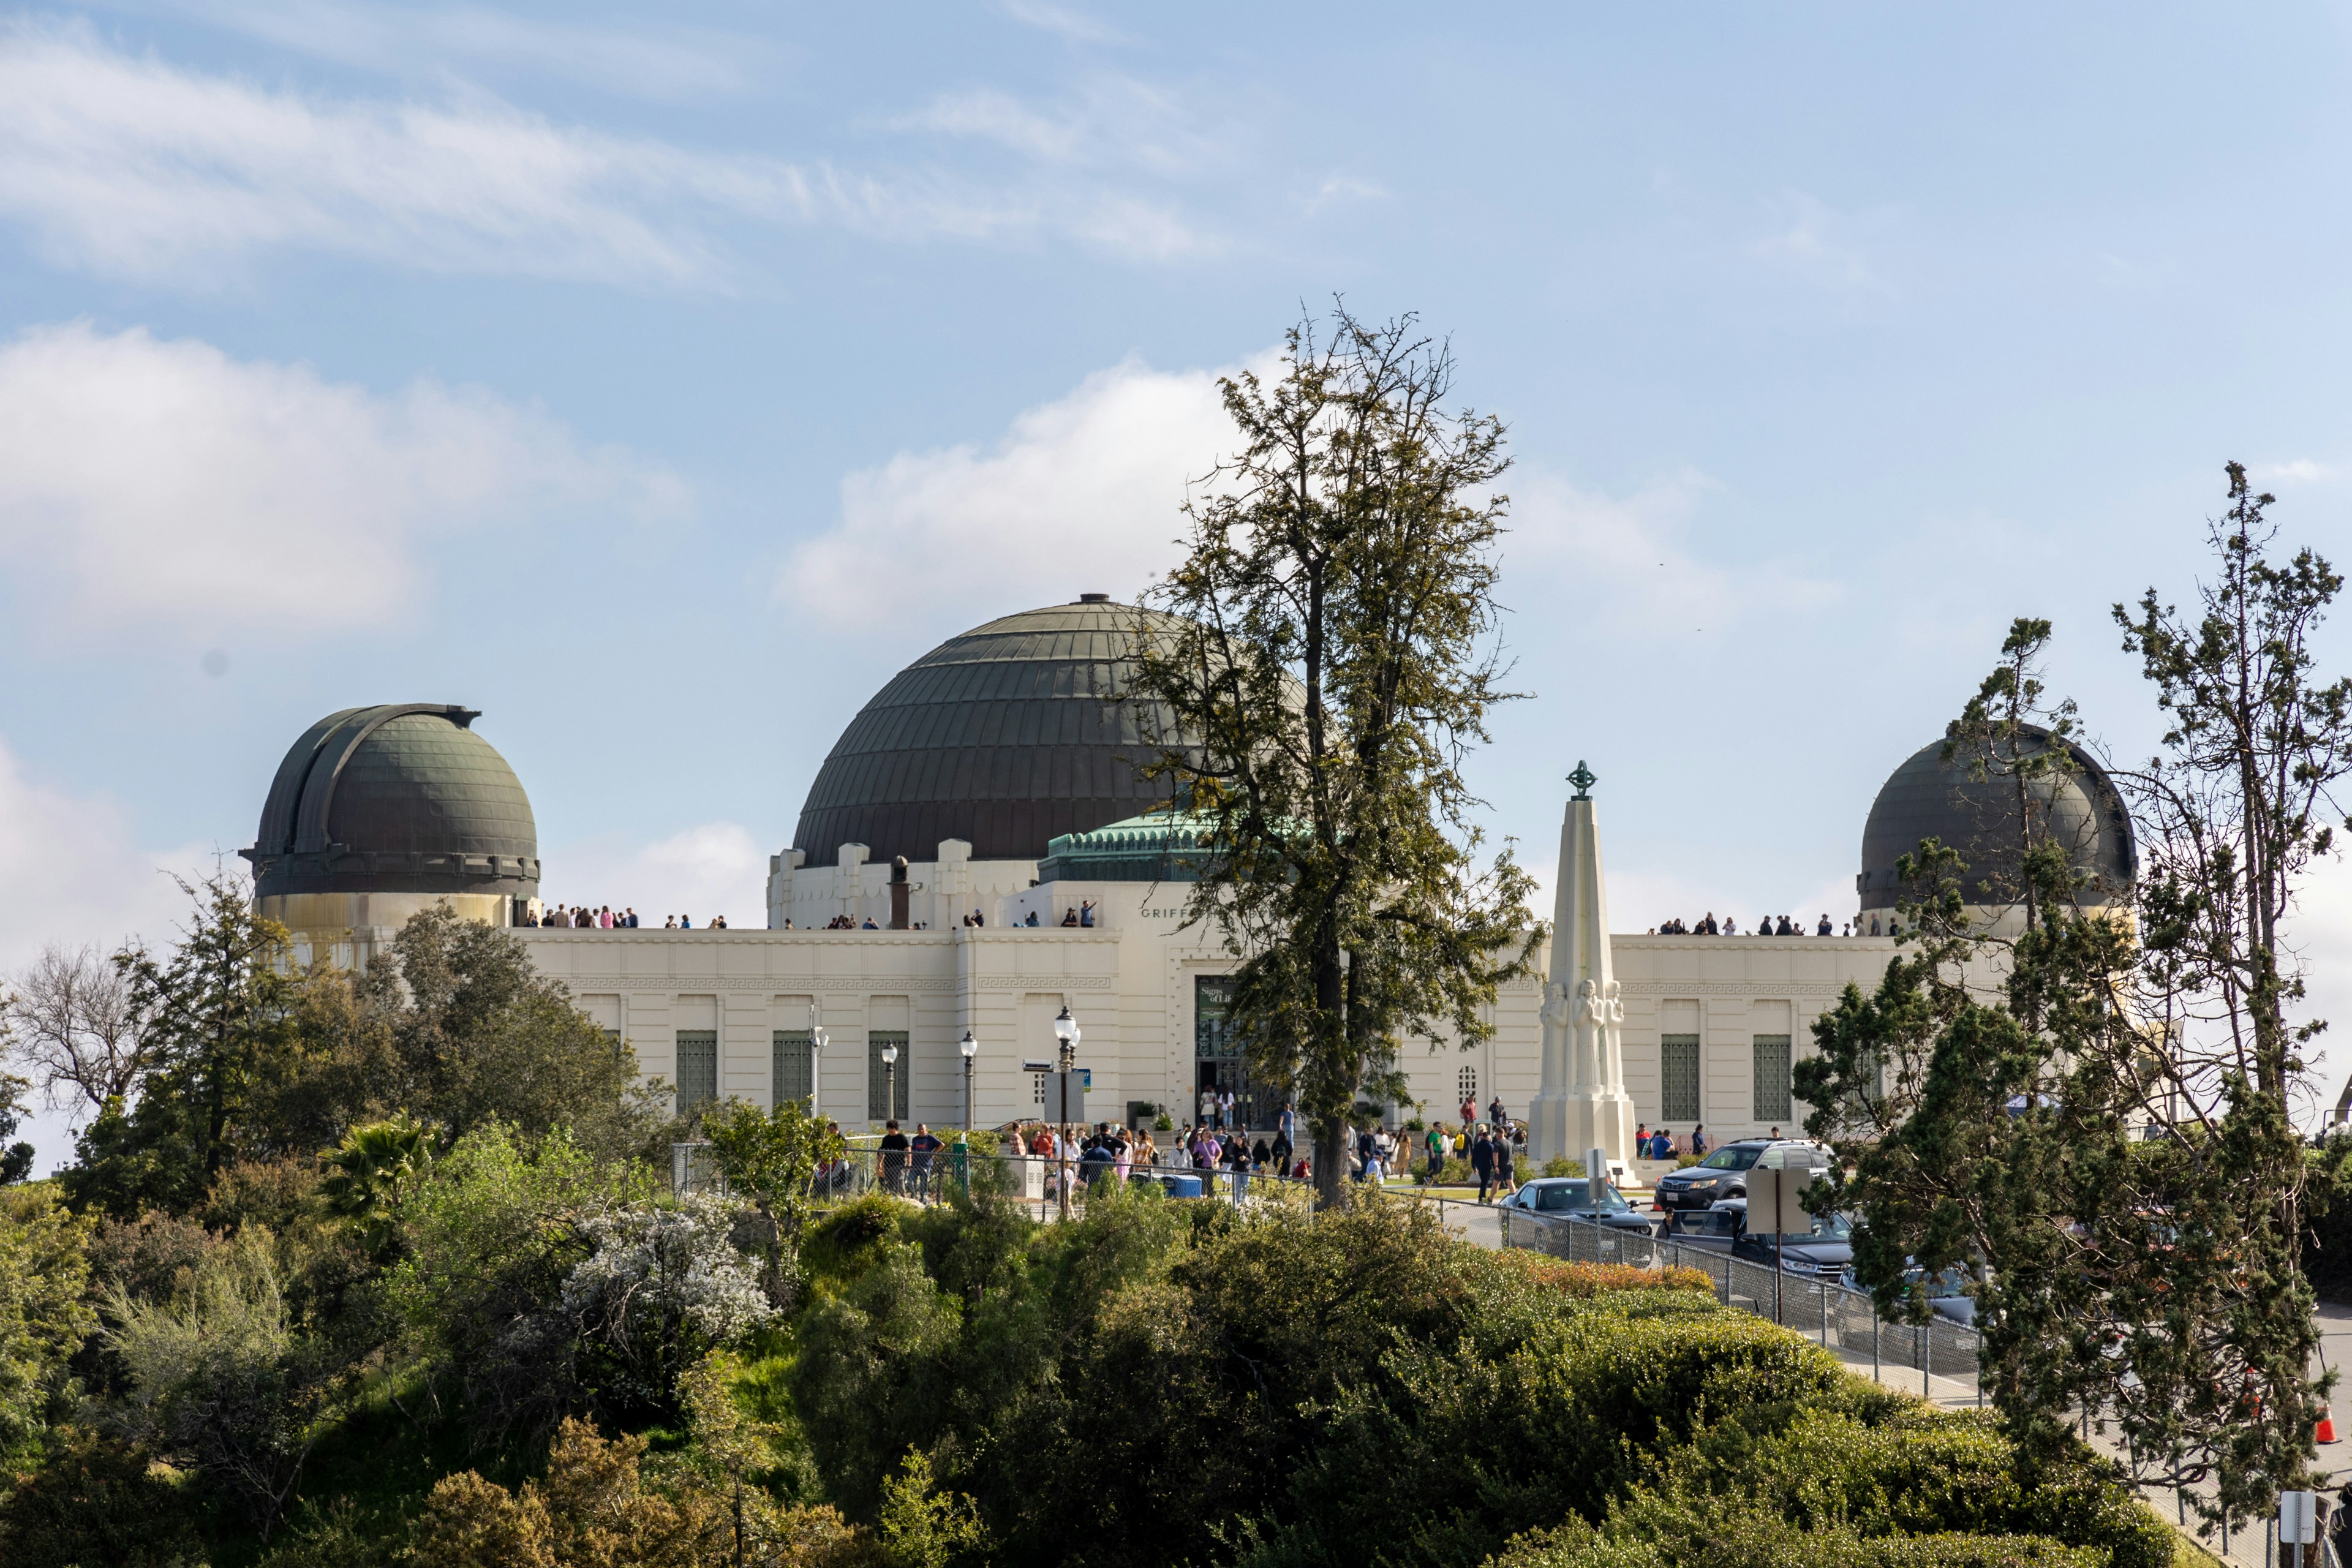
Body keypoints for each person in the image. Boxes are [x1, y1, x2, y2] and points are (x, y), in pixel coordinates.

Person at [910, 1123, 943, 1199]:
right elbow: (912, 1149)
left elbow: (942, 1145)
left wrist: (934, 1153)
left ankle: (923, 1199)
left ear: (926, 1130)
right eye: (919, 1130)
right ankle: (914, 1195)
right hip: (915, 1164)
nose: (921, 1131)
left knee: (923, 1183)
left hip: (925, 1164)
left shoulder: (931, 1138)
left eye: (923, 1129)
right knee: (910, 1180)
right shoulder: (915, 1139)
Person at [878, 1118, 911, 1194]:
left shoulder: (902, 1138)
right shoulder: (886, 1139)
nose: (890, 1130)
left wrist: (909, 1163)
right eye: (888, 1129)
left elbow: (908, 1150)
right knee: (890, 1182)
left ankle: (903, 1195)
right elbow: (882, 1152)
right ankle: (893, 1196)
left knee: (900, 1180)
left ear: (895, 1128)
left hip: (899, 1164)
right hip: (888, 1165)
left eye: (891, 1128)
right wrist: (880, 1163)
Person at [1471, 1125, 1497, 1202]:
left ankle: (1481, 1197)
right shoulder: (1490, 1146)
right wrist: (1495, 1166)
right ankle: (1481, 1197)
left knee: (1483, 1181)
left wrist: (1474, 1167)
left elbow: (1473, 1157)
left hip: (1479, 1166)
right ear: (1488, 1137)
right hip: (1487, 1166)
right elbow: (1492, 1158)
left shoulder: (1477, 1146)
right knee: (1485, 1182)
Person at [1492, 1126, 1517, 1200]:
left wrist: (1496, 1166)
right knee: (1510, 1182)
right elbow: (1513, 1154)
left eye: (1496, 1135)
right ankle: (1514, 1199)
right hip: (1510, 1165)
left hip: (1501, 1166)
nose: (1496, 1136)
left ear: (1499, 1134)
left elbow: (1495, 1155)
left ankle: (1490, 1199)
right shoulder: (1510, 1143)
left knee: (1496, 1183)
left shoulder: (1497, 1144)